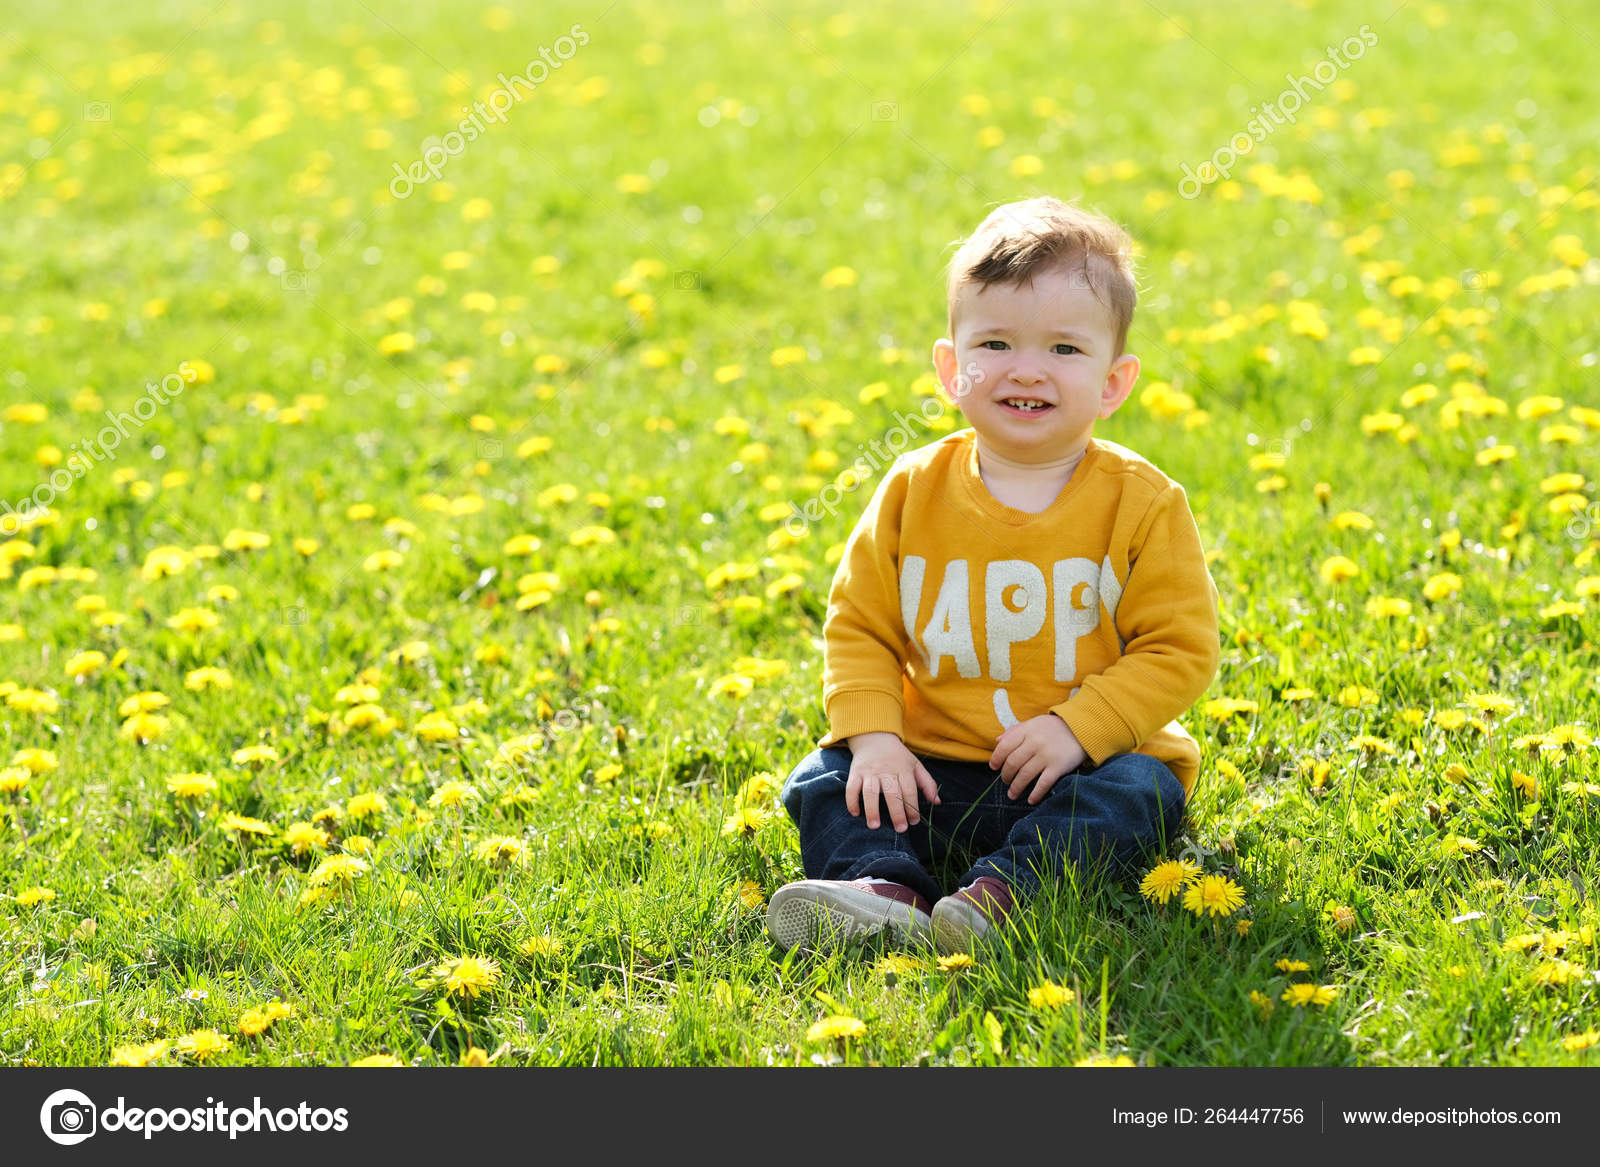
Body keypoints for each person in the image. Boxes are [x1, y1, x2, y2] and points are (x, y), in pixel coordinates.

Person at [767, 196, 1221, 956]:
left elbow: (1179, 648)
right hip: (927, 771)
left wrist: (1079, 728)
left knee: (1142, 791)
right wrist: (876, 738)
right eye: (998, 342)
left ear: (1115, 381)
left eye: (1066, 351)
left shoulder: (1141, 503)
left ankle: (1009, 893)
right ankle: (883, 886)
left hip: (1075, 772)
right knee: (825, 773)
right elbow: (860, 623)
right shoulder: (914, 489)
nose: (1027, 370)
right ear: (953, 368)